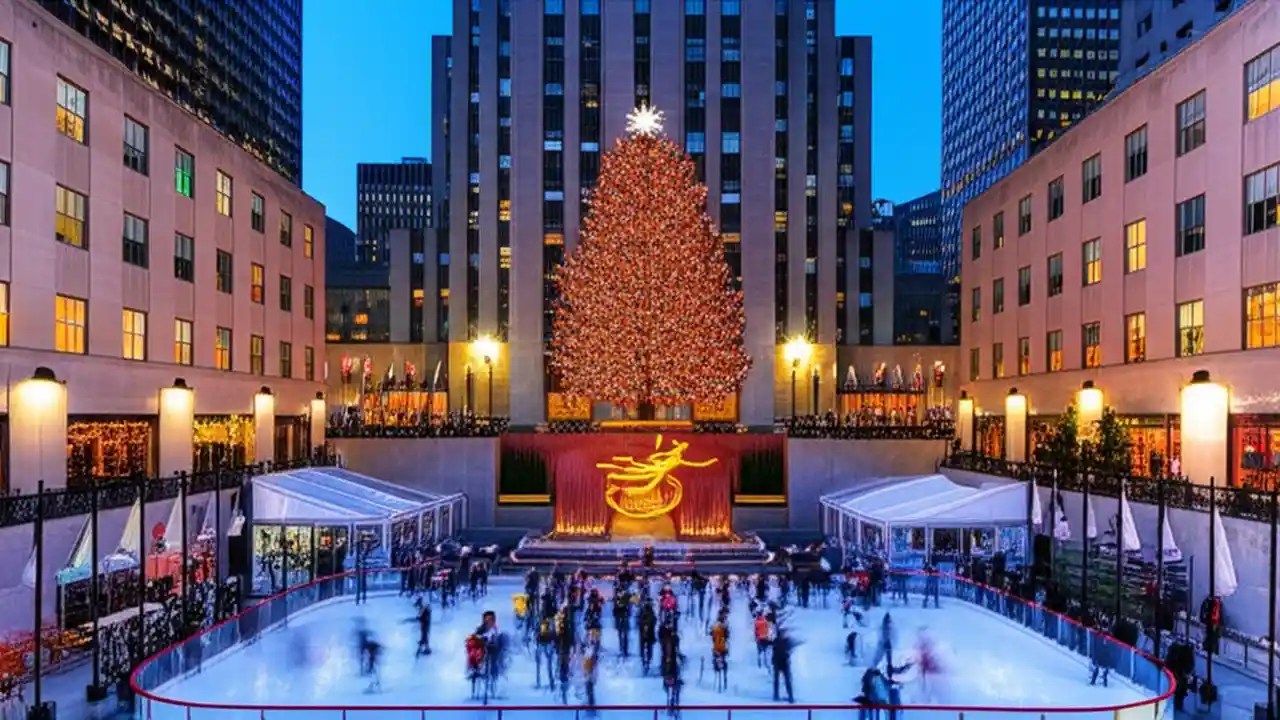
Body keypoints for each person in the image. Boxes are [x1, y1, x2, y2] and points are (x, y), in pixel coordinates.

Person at [771, 626, 795, 703]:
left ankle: (789, 696)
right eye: (782, 633)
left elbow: (774, 651)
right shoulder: (783, 641)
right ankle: (785, 696)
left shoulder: (779, 640)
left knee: (784, 680)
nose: (783, 634)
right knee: (781, 680)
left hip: (782, 662)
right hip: (781, 662)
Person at [710, 609, 730, 692]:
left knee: (718, 661)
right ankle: (724, 680)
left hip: (717, 647)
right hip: (721, 647)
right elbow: (727, 635)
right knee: (724, 663)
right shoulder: (724, 625)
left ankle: (720, 676)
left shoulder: (715, 624)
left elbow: (711, 635)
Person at [639, 598, 658, 674]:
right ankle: (646, 663)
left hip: (648, 633)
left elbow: (654, 620)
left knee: (647, 648)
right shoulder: (645, 610)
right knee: (647, 649)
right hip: (646, 633)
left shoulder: (649, 611)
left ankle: (646, 663)